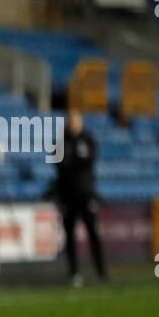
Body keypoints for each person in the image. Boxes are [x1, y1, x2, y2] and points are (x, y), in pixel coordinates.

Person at [54, 108, 107, 286]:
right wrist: (73, 161)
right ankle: (74, 272)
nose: (72, 123)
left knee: (93, 233)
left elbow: (87, 162)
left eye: (75, 120)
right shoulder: (60, 142)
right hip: (67, 196)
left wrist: (71, 161)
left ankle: (101, 271)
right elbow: (58, 165)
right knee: (69, 235)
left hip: (86, 193)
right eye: (70, 120)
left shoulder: (88, 139)